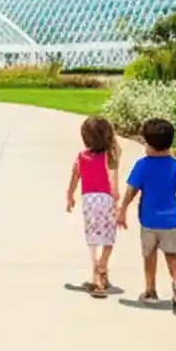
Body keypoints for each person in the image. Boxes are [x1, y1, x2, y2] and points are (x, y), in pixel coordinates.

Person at [116, 117, 176, 314]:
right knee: (172, 256)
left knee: (149, 255)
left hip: (149, 221)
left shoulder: (143, 165)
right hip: (171, 221)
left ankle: (150, 290)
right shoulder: (175, 166)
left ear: (148, 144)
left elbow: (131, 190)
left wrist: (122, 209)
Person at [66, 116, 121, 298]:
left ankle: (97, 274)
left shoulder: (81, 156)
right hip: (105, 199)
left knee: (93, 236)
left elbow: (75, 176)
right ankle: (102, 264)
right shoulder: (109, 155)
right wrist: (116, 196)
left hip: (89, 201)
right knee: (108, 236)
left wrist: (69, 196)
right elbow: (112, 177)